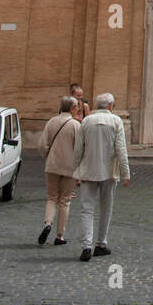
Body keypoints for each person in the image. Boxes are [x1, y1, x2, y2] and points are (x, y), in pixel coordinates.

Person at [72, 92, 130, 261]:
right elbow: (121, 149)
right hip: (109, 172)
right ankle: (101, 244)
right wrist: (125, 172)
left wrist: (75, 171)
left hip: (88, 171)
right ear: (111, 106)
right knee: (106, 208)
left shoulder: (86, 122)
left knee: (86, 209)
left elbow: (78, 150)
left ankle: (86, 246)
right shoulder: (116, 121)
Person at [38, 95, 79, 246]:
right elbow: (79, 149)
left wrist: (48, 157)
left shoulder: (51, 122)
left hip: (52, 166)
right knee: (65, 201)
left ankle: (48, 223)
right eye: (77, 107)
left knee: (51, 198)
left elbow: (42, 145)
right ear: (72, 108)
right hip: (69, 168)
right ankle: (60, 235)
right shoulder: (75, 125)